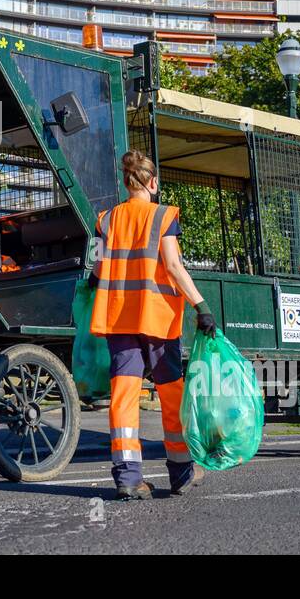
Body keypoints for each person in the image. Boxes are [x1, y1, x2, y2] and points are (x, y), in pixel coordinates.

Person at [90, 150, 217, 500]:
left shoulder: (105, 220)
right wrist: (201, 305)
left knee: (124, 396)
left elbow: (98, 269)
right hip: (158, 318)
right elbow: (173, 266)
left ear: (126, 181)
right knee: (170, 392)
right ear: (151, 181)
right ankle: (181, 472)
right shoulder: (164, 216)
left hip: (118, 318)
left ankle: (128, 477)